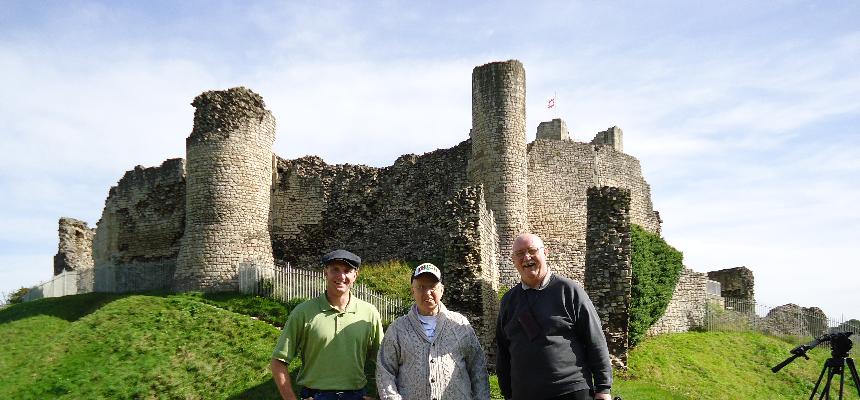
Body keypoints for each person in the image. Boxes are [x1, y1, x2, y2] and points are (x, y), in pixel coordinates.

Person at [496, 234, 613, 400]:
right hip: (524, 394)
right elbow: (503, 351)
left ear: (545, 253)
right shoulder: (508, 301)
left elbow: (595, 340)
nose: (526, 257)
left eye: (532, 251)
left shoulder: (569, 291)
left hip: (570, 391)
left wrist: (603, 388)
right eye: (520, 253)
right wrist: (507, 393)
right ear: (513, 260)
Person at [271, 249, 384, 400]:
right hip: (315, 395)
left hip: (355, 395)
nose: (341, 276)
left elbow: (385, 362)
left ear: (355, 275)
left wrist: (380, 397)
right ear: (326, 272)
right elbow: (278, 362)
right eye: (335, 269)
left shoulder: (369, 313)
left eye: (347, 270)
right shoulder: (303, 312)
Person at [376, 263, 490, 400]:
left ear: (442, 290)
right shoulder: (397, 329)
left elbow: (478, 369)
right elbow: (385, 372)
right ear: (412, 291)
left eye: (432, 286)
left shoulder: (460, 325)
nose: (427, 292)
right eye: (421, 287)